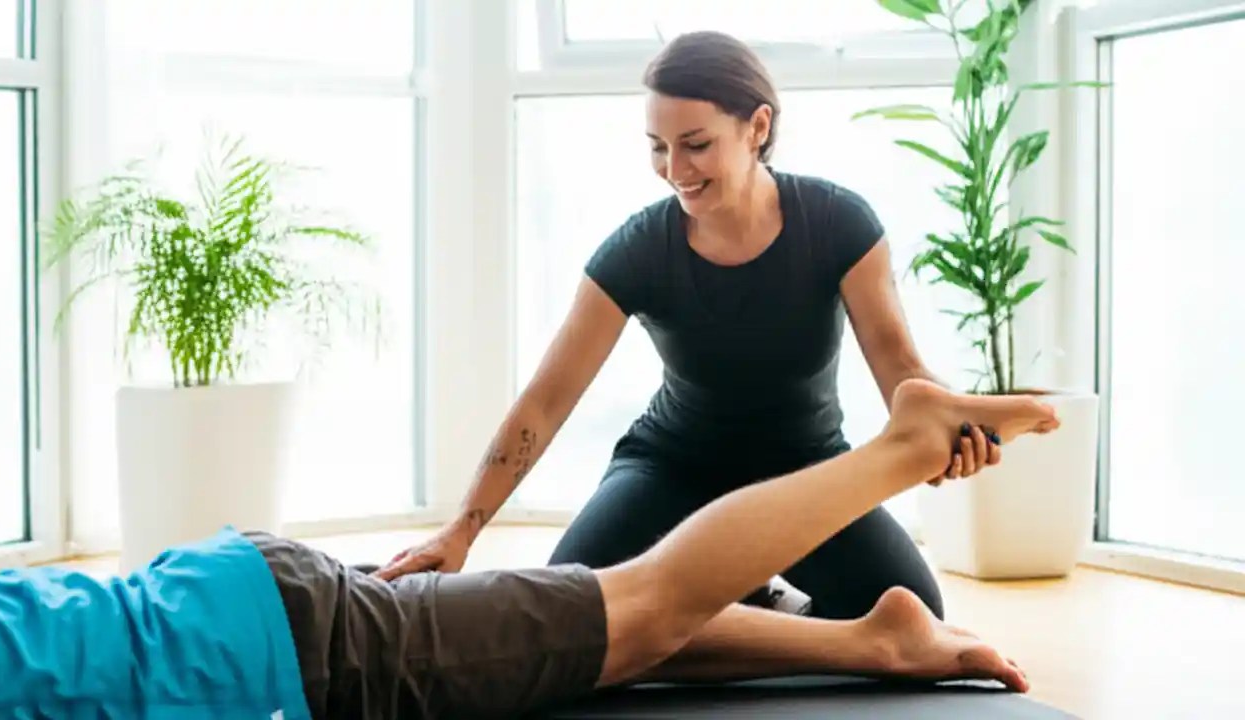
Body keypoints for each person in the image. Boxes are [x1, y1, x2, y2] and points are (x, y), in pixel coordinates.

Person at [0, 380, 1059, 719]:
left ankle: (897, 448)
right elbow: (553, 386)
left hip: (277, 654)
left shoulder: (818, 223)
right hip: (224, 606)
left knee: (639, 604)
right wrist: (467, 532)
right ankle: (875, 642)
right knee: (598, 629)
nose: (675, 166)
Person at [374, 31, 998, 620]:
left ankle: (740, 609)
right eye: (657, 145)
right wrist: (464, 529)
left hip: (807, 475)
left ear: (758, 127)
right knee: (571, 613)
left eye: (695, 144)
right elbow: (546, 400)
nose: (675, 168)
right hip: (672, 469)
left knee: (911, 608)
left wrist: (946, 433)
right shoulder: (640, 249)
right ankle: (741, 603)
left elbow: (901, 370)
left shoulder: (839, 226)